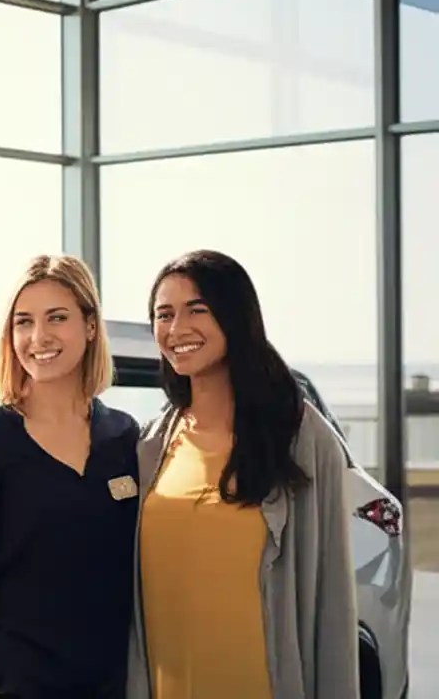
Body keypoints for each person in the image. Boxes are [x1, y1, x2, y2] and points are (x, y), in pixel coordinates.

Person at [126, 249, 358, 699]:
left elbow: (333, 609)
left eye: (197, 309)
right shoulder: (151, 445)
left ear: (236, 316)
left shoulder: (302, 440)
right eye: (164, 315)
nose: (177, 329)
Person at [0, 254, 140, 699]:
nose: (38, 337)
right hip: (17, 685)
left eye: (57, 318)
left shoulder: (123, 436)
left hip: (111, 686)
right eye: (23, 322)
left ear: (91, 325)